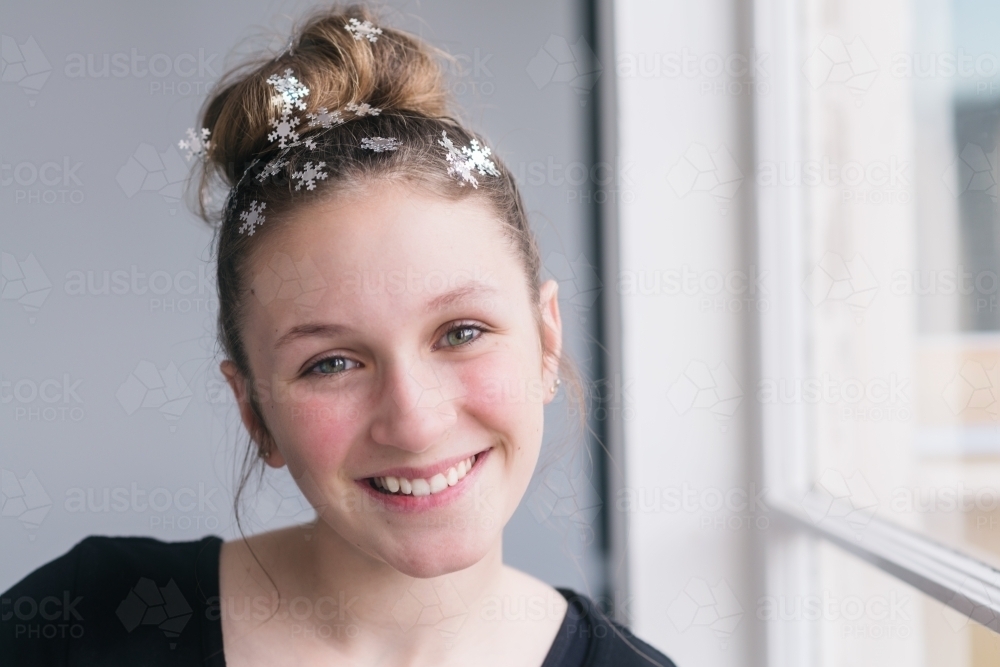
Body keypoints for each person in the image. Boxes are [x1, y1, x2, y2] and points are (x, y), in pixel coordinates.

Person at [1, 6, 677, 666]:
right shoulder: (84, 624)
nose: (412, 422)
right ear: (253, 411)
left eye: (461, 331)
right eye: (331, 363)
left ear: (545, 340)